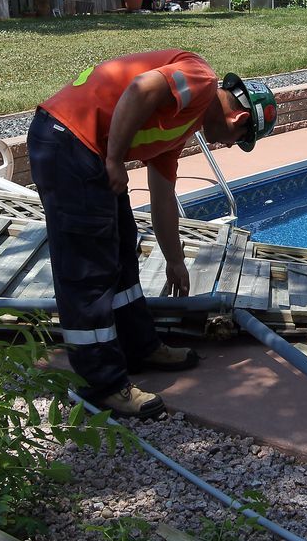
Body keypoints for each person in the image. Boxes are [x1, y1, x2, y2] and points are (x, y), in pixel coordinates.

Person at [27, 49, 277, 419]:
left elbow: (163, 198)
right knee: (88, 268)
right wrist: (114, 159)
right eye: (237, 138)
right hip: (69, 141)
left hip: (85, 149)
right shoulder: (201, 78)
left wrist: (175, 259)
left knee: (122, 248)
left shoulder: (181, 125)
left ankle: (139, 346)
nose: (228, 145)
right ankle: (105, 383)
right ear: (239, 118)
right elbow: (141, 88)